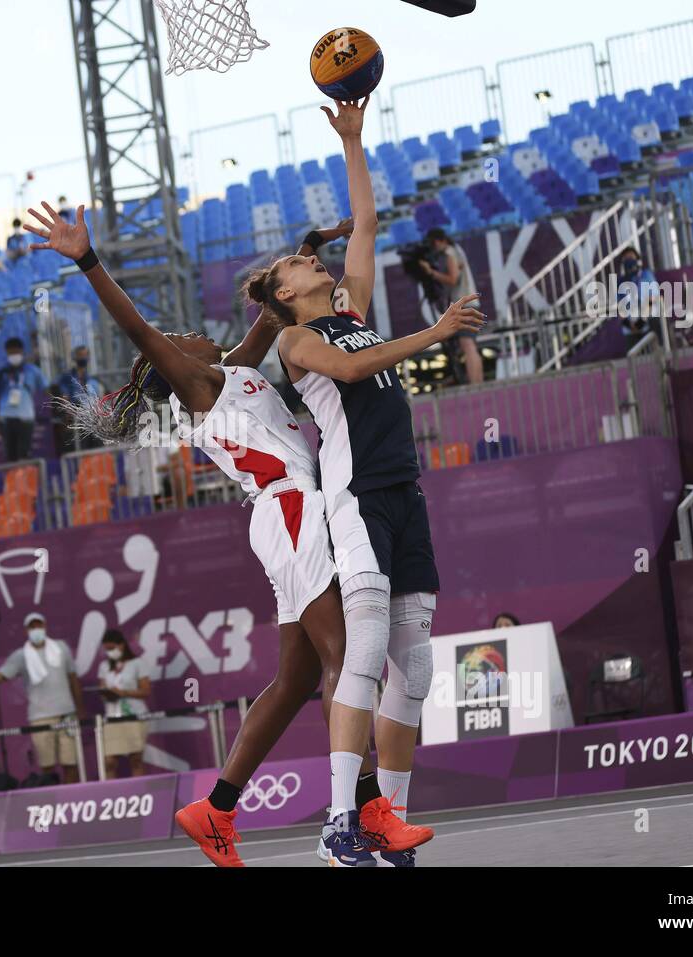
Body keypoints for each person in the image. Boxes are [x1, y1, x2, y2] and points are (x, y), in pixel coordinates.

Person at [26, 199, 426, 867]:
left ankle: (215, 807)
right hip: (292, 511)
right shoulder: (197, 381)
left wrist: (305, 247)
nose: (186, 333)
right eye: (177, 337)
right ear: (174, 364)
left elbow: (276, 310)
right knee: (345, 661)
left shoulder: (234, 368)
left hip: (289, 517)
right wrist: (88, 261)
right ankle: (363, 817)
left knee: (298, 679)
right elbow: (139, 329)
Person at [255, 97, 484, 865]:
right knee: (367, 648)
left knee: (416, 664)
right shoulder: (295, 340)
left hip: (404, 490)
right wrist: (434, 333)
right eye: (296, 265)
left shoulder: (348, 303)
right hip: (353, 500)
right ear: (284, 293)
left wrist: (354, 140)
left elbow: (365, 223)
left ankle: (389, 824)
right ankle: (337, 820)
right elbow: (354, 368)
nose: (311, 261)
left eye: (308, 258)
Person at [0, 612, 86, 784]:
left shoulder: (61, 648)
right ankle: (52, 803)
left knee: (71, 763)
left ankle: (71, 800)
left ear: (45, 626)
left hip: (67, 714)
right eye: (32, 627)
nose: (36, 630)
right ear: (26, 630)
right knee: (47, 766)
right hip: (40, 717)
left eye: (39, 625)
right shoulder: (20, 656)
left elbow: (73, 678)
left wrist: (80, 709)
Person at [419, 226, 482, 385]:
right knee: (470, 346)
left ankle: (476, 384)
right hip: (469, 302)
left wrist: (431, 273)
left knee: (467, 345)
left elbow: (453, 279)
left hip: (464, 303)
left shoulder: (449, 253)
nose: (434, 249)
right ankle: (478, 382)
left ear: (440, 241)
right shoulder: (457, 250)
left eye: (434, 244)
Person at [96, 629, 151, 778]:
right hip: (112, 716)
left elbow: (146, 691)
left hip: (134, 715)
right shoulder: (104, 666)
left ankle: (141, 797)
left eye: (112, 648)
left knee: (136, 759)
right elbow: (102, 688)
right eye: (106, 649)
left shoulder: (137, 663)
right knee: (109, 762)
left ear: (122, 645)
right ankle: (111, 797)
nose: (109, 652)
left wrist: (124, 693)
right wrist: (107, 693)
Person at [0, 337, 46, 463]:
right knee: (11, 456)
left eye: (16, 352)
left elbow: (45, 388)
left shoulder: (32, 370)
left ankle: (25, 481)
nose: (14, 355)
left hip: (26, 416)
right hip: (6, 417)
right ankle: (13, 481)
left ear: (22, 352)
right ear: (6, 353)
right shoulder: (0, 373)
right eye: (11, 353)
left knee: (24, 455)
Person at [51, 345, 105, 453]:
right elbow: (63, 396)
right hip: (76, 418)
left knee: (96, 449)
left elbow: (98, 398)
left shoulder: (91, 379)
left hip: (92, 418)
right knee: (80, 448)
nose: (83, 358)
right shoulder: (67, 377)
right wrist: (68, 412)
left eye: (85, 355)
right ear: (74, 357)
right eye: (80, 355)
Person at [615, 246, 660, 344]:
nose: (629, 260)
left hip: (649, 325)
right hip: (630, 330)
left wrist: (642, 321)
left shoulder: (646, 275)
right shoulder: (620, 282)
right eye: (626, 258)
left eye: (631, 256)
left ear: (637, 259)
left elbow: (654, 297)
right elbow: (619, 306)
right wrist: (628, 324)